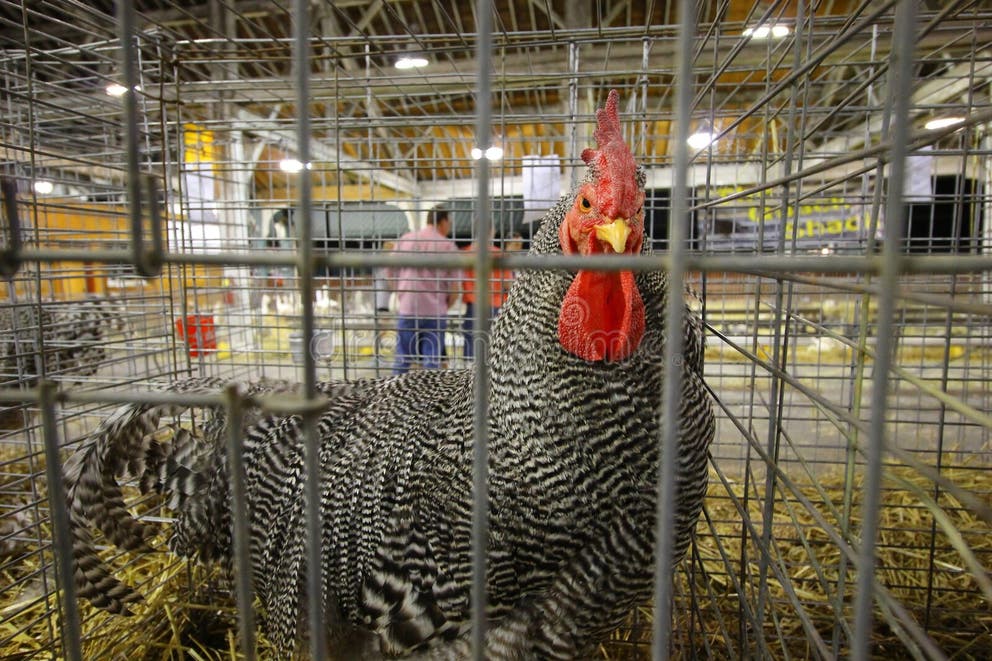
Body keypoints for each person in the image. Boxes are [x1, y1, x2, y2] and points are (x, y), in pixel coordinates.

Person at [385, 207, 459, 374]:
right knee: (431, 362)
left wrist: (400, 292)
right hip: (435, 312)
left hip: (408, 308)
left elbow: (389, 269)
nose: (450, 227)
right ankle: (428, 399)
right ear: (443, 221)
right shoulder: (447, 246)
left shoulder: (406, 240)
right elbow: (455, 286)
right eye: (450, 222)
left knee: (402, 358)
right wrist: (446, 305)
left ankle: (393, 397)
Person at [460, 232, 519, 359]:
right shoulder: (499, 255)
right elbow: (508, 285)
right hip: (496, 305)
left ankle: (470, 374)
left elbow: (458, 281)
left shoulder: (465, 253)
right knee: (495, 345)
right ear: (491, 231)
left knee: (472, 345)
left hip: (474, 304)